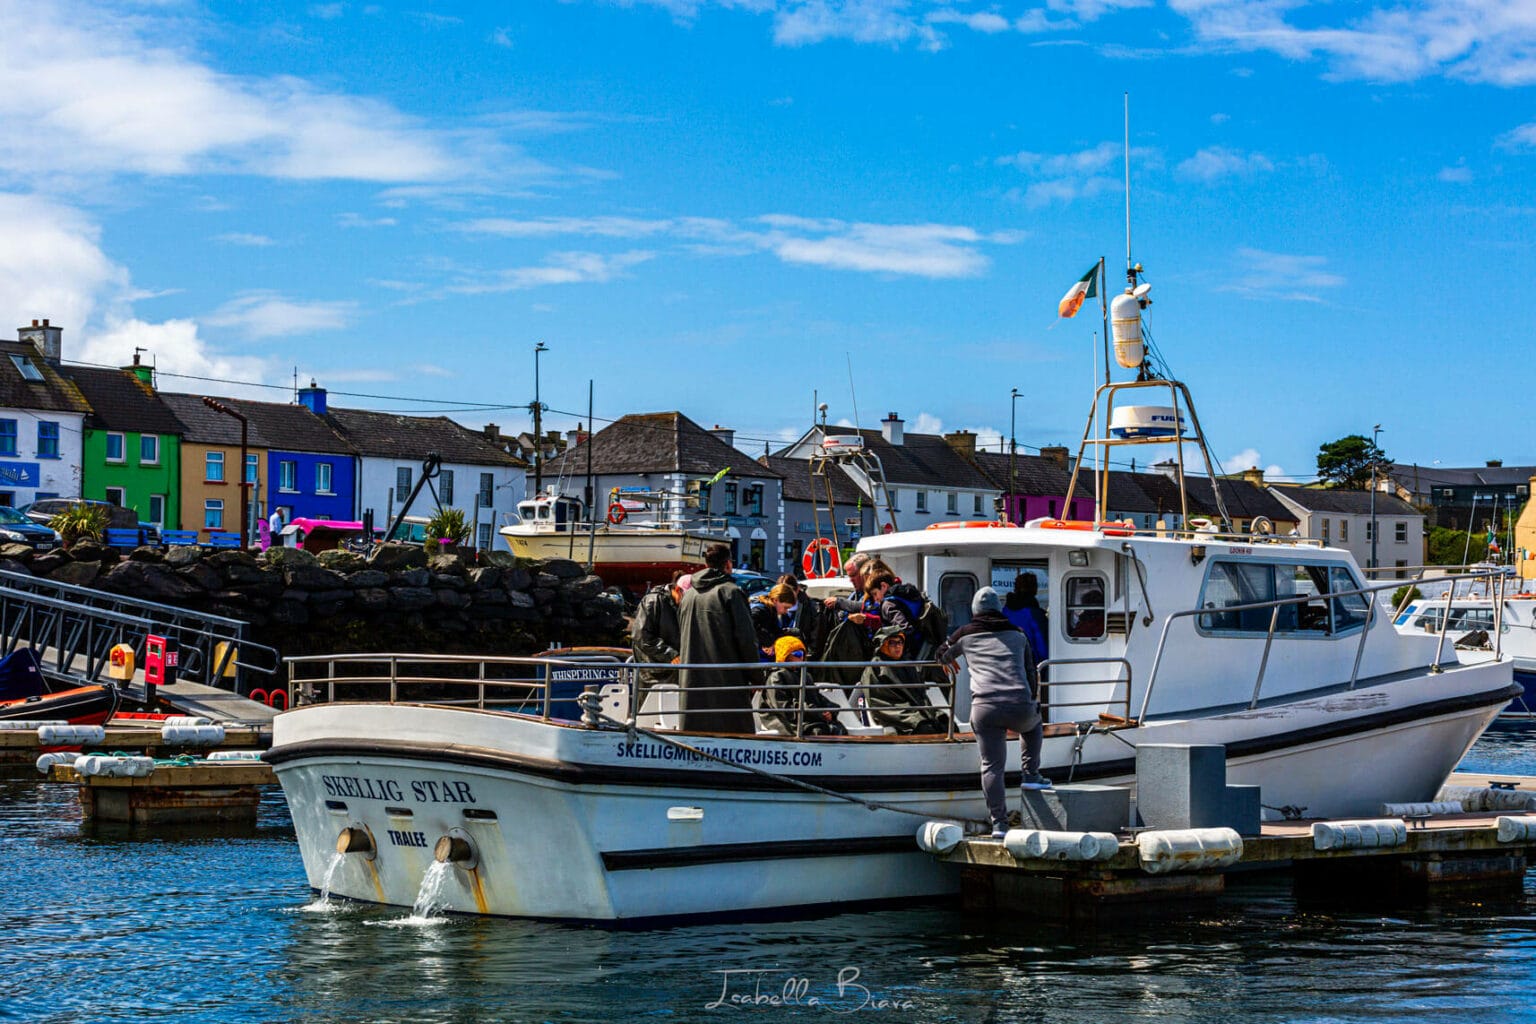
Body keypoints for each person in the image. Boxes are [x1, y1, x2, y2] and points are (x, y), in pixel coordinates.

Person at [936, 587, 1048, 839]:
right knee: (1033, 725)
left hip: (985, 709)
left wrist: (948, 660)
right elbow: (1032, 673)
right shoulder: (1018, 634)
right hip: (1019, 703)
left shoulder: (964, 634)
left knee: (991, 767)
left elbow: (940, 653)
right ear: (998, 609)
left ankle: (999, 824)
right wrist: (1030, 700)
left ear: (975, 611)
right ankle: (1030, 774)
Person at [677, 543, 760, 733]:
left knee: (695, 730)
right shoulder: (731, 592)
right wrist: (756, 675)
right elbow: (746, 638)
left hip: (693, 681)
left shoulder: (689, 594)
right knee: (734, 731)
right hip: (726, 680)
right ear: (728, 564)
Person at [857, 625, 948, 735]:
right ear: (883, 645)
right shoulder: (875, 668)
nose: (897, 646)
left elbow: (919, 695)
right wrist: (915, 718)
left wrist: (932, 715)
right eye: (892, 643)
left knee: (948, 724)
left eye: (900, 642)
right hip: (895, 715)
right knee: (926, 729)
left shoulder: (907, 664)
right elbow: (881, 703)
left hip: (916, 712)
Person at [755, 635, 845, 736]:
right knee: (818, 731)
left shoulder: (805, 675)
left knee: (839, 729)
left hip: (808, 717)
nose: (801, 657)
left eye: (802, 653)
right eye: (797, 653)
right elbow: (784, 707)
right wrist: (816, 713)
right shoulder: (776, 677)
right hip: (784, 719)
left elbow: (817, 698)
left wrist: (830, 711)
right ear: (785, 655)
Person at [631, 570, 687, 692]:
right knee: (650, 707)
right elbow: (641, 636)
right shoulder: (653, 601)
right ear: (678, 591)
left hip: (674, 669)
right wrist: (671, 654)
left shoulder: (679, 606)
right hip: (652, 672)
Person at [1003, 572, 1049, 665]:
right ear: (1034, 589)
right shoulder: (1035, 614)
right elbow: (1041, 647)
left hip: (1008, 660)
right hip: (1030, 662)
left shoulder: (1005, 611)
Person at [750, 582, 799, 655]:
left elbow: (774, 630)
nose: (786, 612)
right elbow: (750, 628)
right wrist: (768, 642)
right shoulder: (760, 610)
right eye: (785, 607)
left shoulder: (770, 611)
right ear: (775, 600)